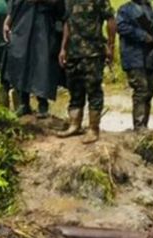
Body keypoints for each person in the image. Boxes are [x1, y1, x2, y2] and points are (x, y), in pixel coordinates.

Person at [56, 0, 114, 142]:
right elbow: (67, 23)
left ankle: (93, 129)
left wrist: (111, 45)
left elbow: (111, 20)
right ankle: (75, 125)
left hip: (93, 53)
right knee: (74, 90)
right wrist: (63, 48)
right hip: (73, 53)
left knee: (93, 90)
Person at [2, 0, 64, 118]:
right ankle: (24, 104)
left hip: (44, 24)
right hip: (22, 22)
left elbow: (59, 4)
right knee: (20, 60)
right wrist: (8, 20)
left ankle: (43, 105)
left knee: (42, 63)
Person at [116, 0, 153, 131]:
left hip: (150, 57)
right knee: (141, 90)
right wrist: (142, 35)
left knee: (149, 91)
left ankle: (144, 125)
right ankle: (139, 125)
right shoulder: (125, 10)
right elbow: (120, 27)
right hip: (133, 57)